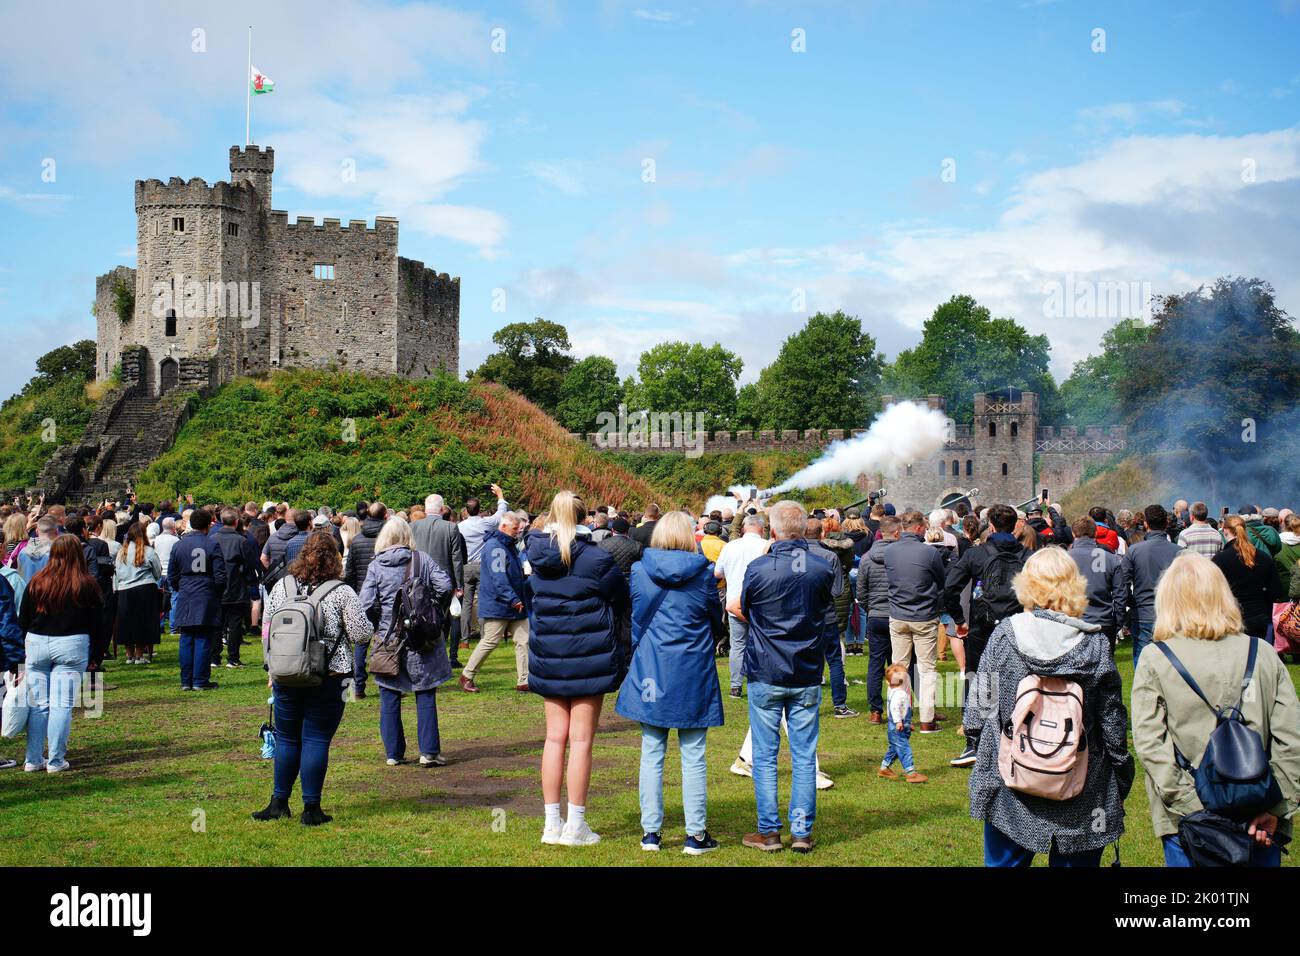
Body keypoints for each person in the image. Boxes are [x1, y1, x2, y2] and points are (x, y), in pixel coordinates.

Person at [965, 547, 1133, 866]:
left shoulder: (1004, 635)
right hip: (1081, 780)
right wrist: (1120, 774)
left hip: (1011, 776)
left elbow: (979, 708)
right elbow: (1113, 725)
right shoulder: (1095, 644)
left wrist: (980, 745)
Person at [1131, 553, 1300, 867]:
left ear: (1167, 601)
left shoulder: (1156, 659)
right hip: (1257, 813)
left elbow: (1150, 743)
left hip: (1190, 822)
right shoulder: (1261, 653)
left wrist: (1193, 806)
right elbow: (1291, 740)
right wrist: (1276, 806)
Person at [615, 511, 724, 855]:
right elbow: (712, 616)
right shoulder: (702, 574)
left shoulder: (639, 571)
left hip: (653, 664)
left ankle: (651, 832)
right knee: (693, 754)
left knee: (652, 750)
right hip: (691, 665)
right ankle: (695, 834)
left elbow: (635, 615)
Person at [526, 491, 629, 847]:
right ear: (586, 518)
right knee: (580, 740)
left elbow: (531, 600)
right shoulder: (596, 559)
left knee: (555, 738)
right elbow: (621, 598)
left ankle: (552, 823)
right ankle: (575, 824)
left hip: (552, 655)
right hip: (589, 655)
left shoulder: (537, 557)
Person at [734, 500, 835, 854]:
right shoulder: (821, 568)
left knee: (765, 755)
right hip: (804, 667)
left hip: (768, 667)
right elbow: (819, 608)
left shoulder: (760, 568)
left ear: (773, 530)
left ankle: (771, 831)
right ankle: (800, 832)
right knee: (804, 754)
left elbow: (744, 608)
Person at [253, 531, 373, 826]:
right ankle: (311, 808)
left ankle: (278, 802)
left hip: (286, 672)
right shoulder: (342, 592)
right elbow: (360, 634)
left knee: (287, 739)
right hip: (331, 675)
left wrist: (271, 667)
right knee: (316, 739)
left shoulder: (283, 586)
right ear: (335, 559)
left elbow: (267, 629)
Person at [358, 517, 454, 767]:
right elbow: (444, 585)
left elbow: (365, 603)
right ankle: (429, 752)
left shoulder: (376, 566)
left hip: (389, 638)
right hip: (420, 636)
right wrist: (433, 609)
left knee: (389, 693)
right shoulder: (421, 559)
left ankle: (393, 753)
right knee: (425, 691)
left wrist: (380, 621)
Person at [16, 535, 106, 772]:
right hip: (71, 644)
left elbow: (23, 618)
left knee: (38, 704)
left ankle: (33, 758)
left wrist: (23, 648)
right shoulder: (86, 584)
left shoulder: (37, 581)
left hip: (37, 642)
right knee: (62, 705)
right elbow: (99, 623)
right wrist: (96, 654)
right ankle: (56, 759)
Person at [884, 509, 948, 734]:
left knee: (898, 667)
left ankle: (898, 715)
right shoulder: (929, 553)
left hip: (899, 615)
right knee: (926, 668)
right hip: (923, 615)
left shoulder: (890, 551)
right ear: (920, 528)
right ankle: (927, 720)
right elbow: (941, 581)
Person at [460, 510, 530, 693]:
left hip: (514, 603)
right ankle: (467, 675)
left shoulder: (507, 544)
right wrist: (513, 598)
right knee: (490, 641)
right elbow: (498, 577)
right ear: (503, 526)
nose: (518, 531)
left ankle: (525, 680)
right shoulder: (496, 546)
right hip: (500, 603)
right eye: (515, 528)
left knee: (524, 639)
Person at [167, 507, 227, 692]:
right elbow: (220, 576)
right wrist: (214, 592)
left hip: (186, 593)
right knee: (202, 637)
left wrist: (182, 588)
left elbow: (172, 575)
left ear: (191, 523)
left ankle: (186, 680)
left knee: (186, 637)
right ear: (208, 525)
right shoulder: (212, 544)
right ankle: (200, 680)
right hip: (206, 593)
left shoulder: (179, 545)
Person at [714, 513, 769, 699]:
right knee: (763, 643)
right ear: (761, 529)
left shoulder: (730, 546)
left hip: (734, 601)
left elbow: (717, 573)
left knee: (738, 645)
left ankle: (736, 686)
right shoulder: (766, 546)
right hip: (761, 603)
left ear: (744, 528)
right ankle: (761, 681)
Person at [409, 494, 466, 665]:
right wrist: (458, 585)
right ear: (441, 509)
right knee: (441, 619)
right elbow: (457, 559)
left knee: (420, 619)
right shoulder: (450, 527)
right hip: (443, 581)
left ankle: (423, 655)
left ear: (426, 509)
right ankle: (441, 656)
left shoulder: (413, 526)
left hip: (418, 580)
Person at [1123, 504, 1181, 669]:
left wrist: (1132, 603)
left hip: (1144, 613)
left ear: (1146, 524)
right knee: (1173, 665)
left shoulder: (1134, 550)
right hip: (1172, 614)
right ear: (1166, 524)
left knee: (1143, 665)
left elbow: (1122, 584)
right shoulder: (1179, 552)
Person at [857, 514, 899, 724]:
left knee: (875, 663)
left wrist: (870, 608)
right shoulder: (901, 556)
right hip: (896, 613)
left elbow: (861, 590)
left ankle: (876, 710)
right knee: (898, 663)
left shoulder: (866, 558)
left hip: (876, 615)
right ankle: (896, 708)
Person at [455, 484, 509, 645]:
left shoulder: (459, 527)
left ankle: (464, 640)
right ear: (479, 509)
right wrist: (500, 495)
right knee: (482, 601)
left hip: (465, 567)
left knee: (466, 603)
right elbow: (501, 514)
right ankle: (485, 637)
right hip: (482, 566)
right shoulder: (484, 523)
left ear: (466, 510)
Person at [1212, 515, 1282, 640]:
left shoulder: (1220, 560)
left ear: (1225, 530)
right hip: (1260, 618)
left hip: (1231, 618)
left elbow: (1212, 593)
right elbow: (1276, 590)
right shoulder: (1264, 557)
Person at [342, 501, 386, 698]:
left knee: (361, 642)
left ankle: (359, 687)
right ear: (385, 517)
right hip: (385, 596)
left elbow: (349, 572)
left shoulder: (358, 540)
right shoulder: (388, 540)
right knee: (387, 640)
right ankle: (387, 682)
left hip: (363, 596)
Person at [1067, 516, 1128, 654]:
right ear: (1095, 533)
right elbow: (1120, 595)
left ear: (1073, 533)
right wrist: (1117, 622)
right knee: (1105, 671)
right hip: (1103, 622)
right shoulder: (1111, 558)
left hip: (1073, 623)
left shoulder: (1064, 558)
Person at [213, 508, 260, 669]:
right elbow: (249, 564)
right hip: (236, 586)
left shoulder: (213, 538)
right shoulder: (241, 541)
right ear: (236, 522)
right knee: (234, 623)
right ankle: (232, 658)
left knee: (218, 623)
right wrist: (251, 581)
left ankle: (214, 657)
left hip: (217, 587)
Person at [113, 522, 163, 665]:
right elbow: (157, 572)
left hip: (124, 589)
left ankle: (129, 655)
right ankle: (140, 655)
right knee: (142, 622)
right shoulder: (149, 551)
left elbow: (117, 572)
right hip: (145, 589)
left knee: (127, 622)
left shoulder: (122, 552)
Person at [878, 664, 926, 783]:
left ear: (887, 682)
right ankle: (911, 773)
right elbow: (895, 709)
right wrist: (899, 722)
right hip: (897, 726)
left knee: (894, 748)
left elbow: (901, 710)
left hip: (896, 725)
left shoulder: (892, 692)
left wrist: (907, 724)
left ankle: (884, 768)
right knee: (904, 749)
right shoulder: (901, 694)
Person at [17, 516, 58, 582]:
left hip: (26, 590)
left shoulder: (23, 552)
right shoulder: (56, 554)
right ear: (56, 532)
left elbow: (20, 575)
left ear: (36, 531)